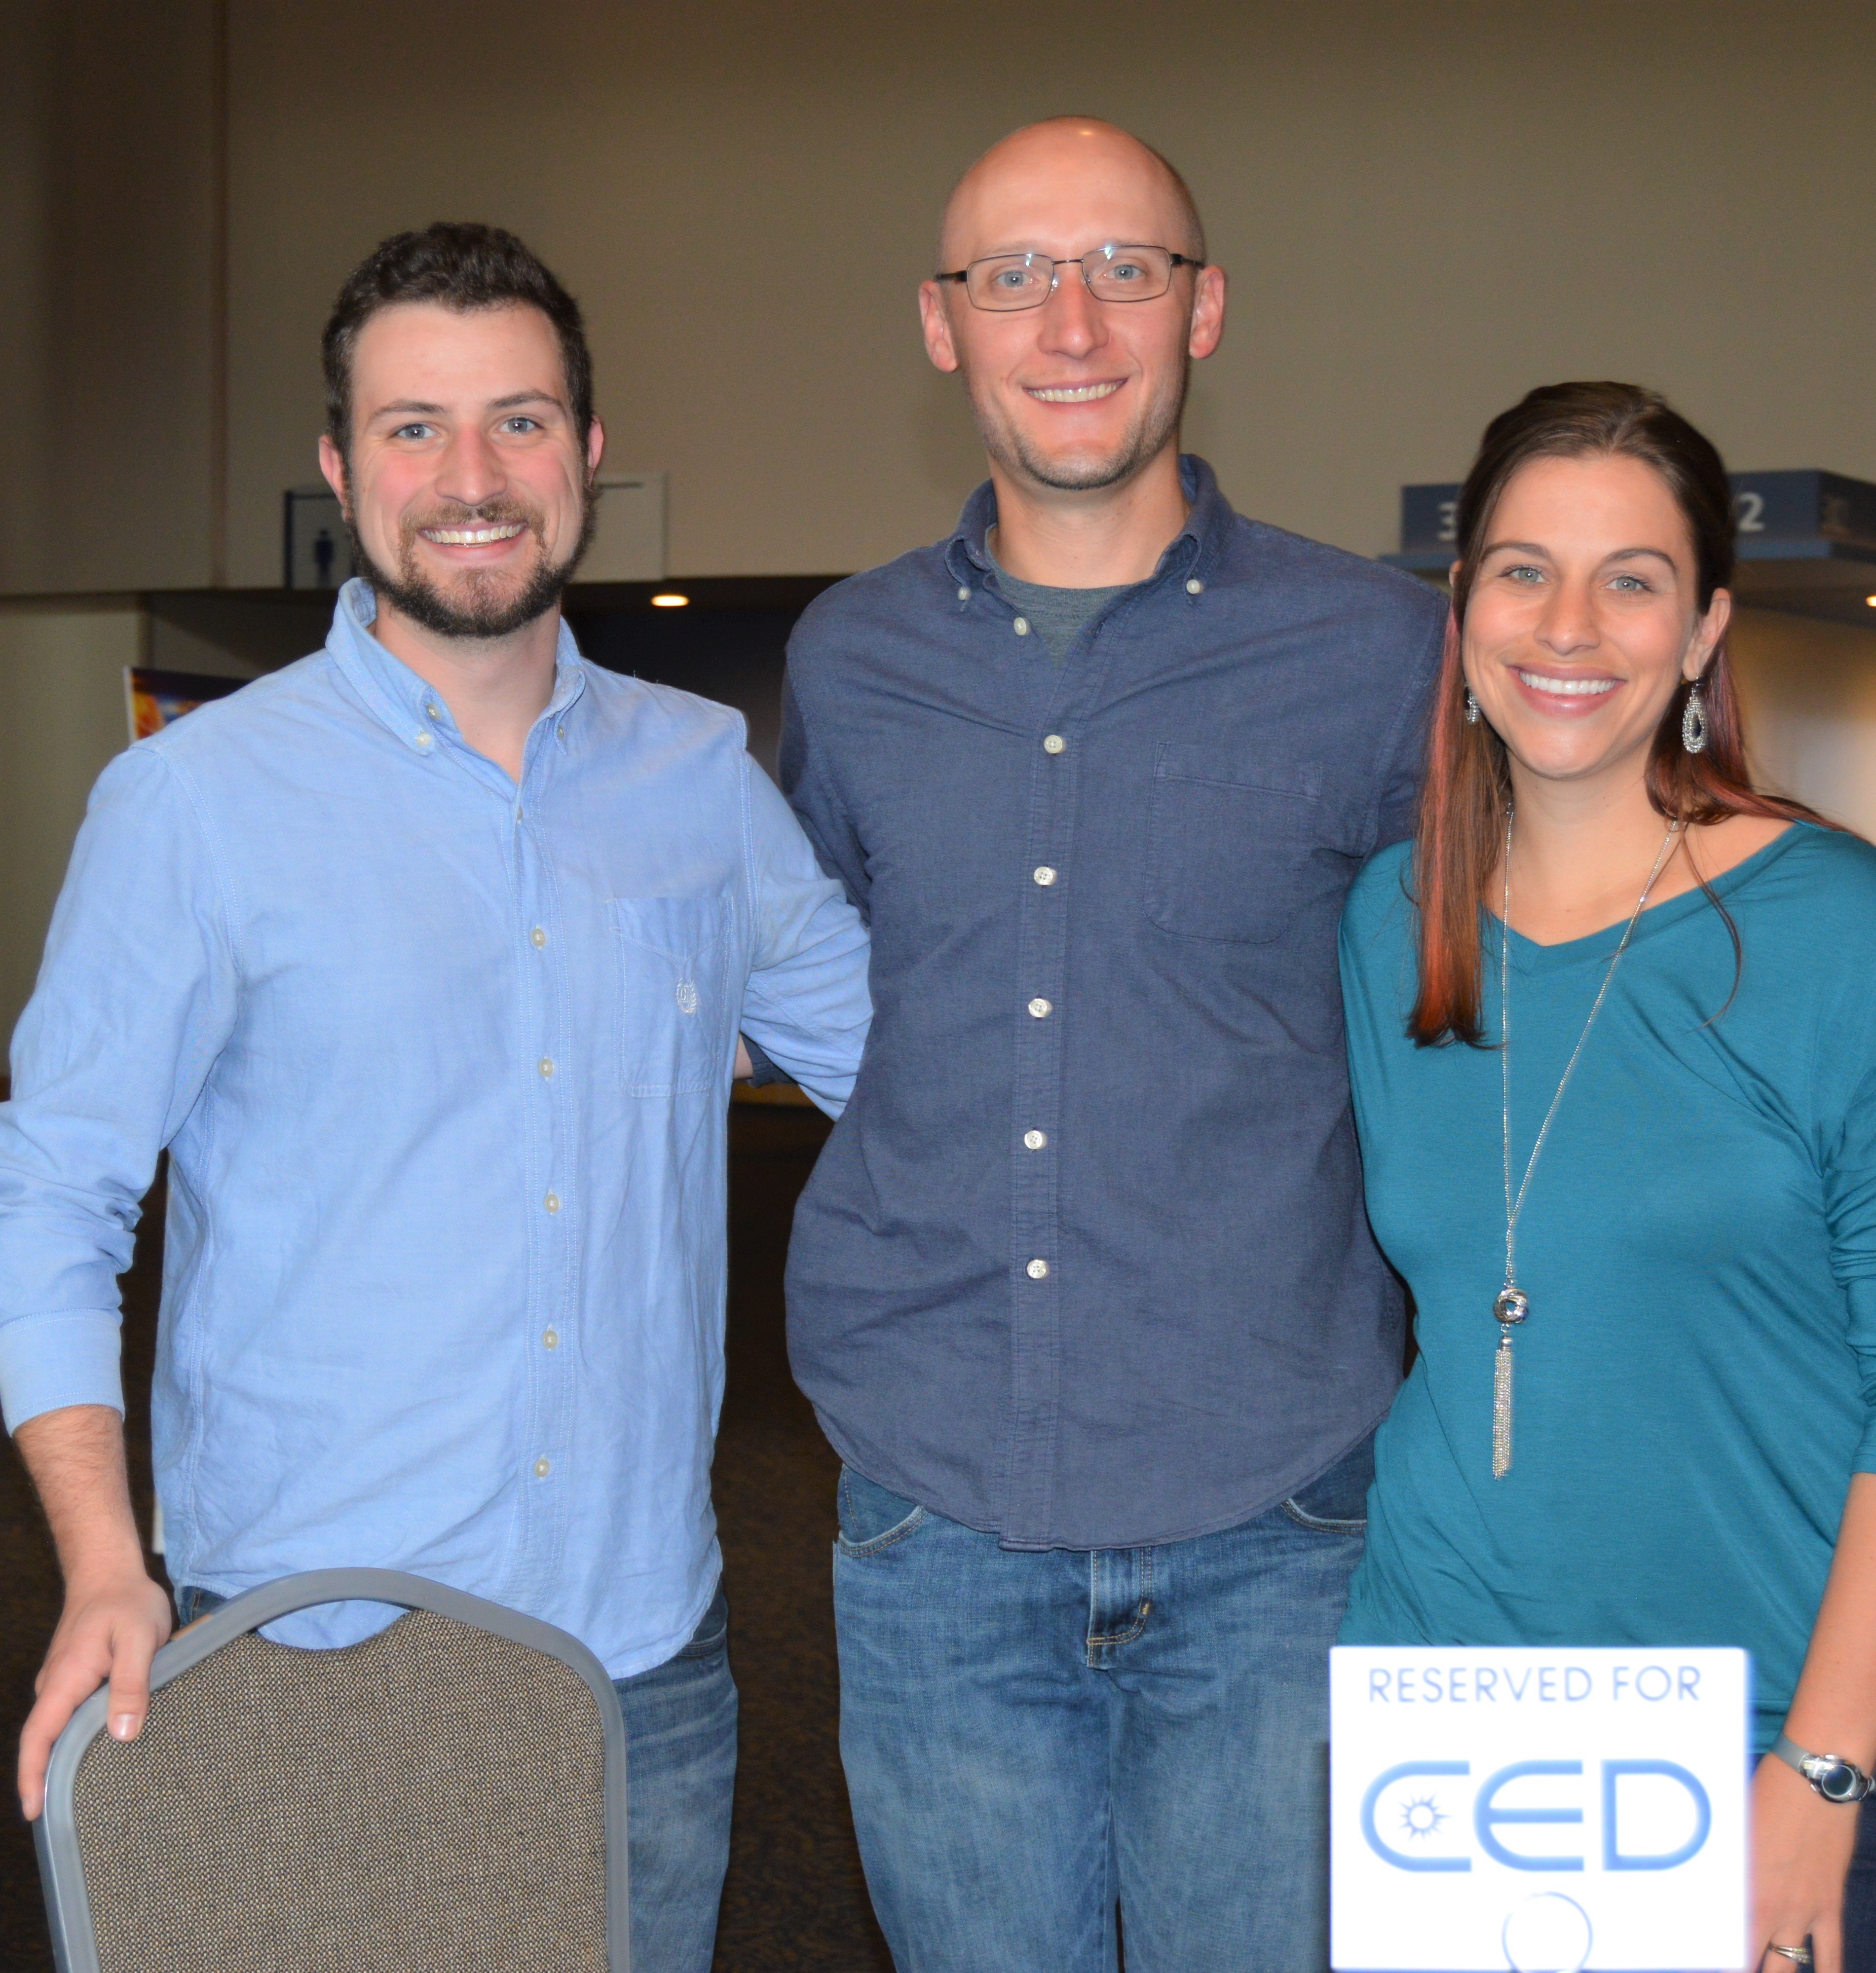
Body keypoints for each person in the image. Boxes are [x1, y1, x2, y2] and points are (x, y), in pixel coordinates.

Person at [0, 223, 871, 1973]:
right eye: (413, 428)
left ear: (588, 453)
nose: (471, 478)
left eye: (518, 421)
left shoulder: (699, 776)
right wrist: (98, 1560)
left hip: (640, 1654)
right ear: (339, 468)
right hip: (315, 1644)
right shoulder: (195, 802)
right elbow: (49, 1198)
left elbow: (910, 1075)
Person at [751, 119, 1445, 1970]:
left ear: (1202, 308)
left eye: (1124, 269)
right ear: (942, 325)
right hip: (934, 1517)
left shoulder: (1384, 652)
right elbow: (842, 990)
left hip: (1275, 1518)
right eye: (1016, 277)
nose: (1072, 324)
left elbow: (1474, 1023)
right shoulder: (850, 661)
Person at [1337, 381, 1876, 1973]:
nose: (1569, 626)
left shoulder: (1848, 932)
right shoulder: (1393, 922)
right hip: (1457, 1723)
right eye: (1523, 571)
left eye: (1630, 581)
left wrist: (1823, 1768)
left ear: (1703, 630)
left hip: (1788, 1728)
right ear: (1461, 606)